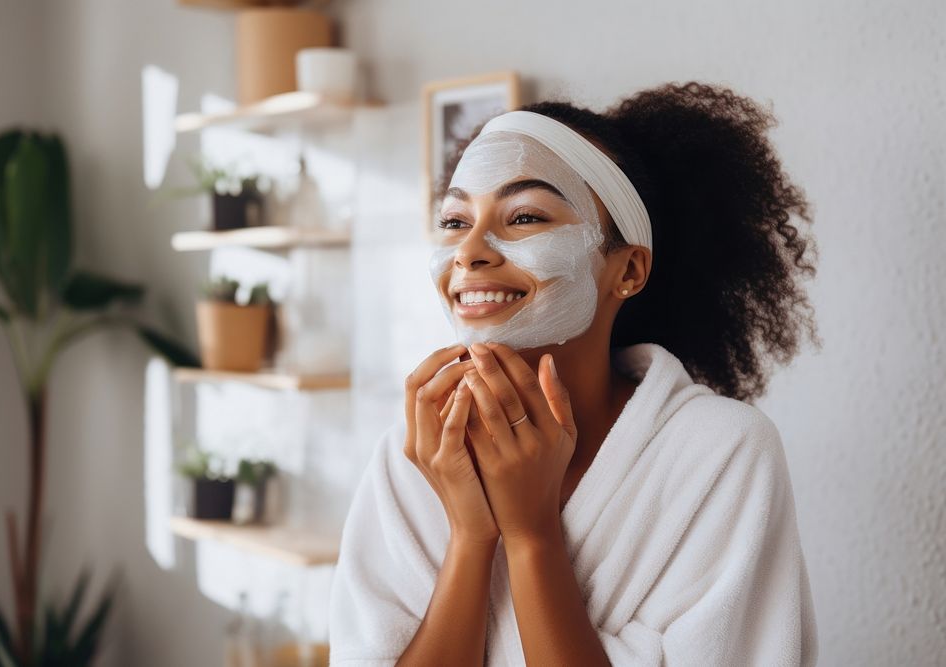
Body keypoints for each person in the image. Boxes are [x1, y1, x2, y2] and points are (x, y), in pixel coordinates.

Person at [329, 81, 820, 666]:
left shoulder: (721, 452)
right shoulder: (418, 454)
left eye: (525, 216)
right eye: (456, 221)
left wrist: (532, 534)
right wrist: (470, 536)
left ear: (629, 270)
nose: (470, 252)